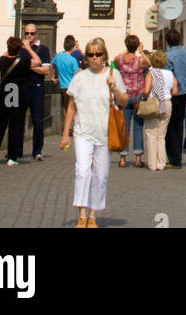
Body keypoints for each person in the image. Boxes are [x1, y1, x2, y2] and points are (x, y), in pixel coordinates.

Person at [59, 36, 128, 228]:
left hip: (105, 133)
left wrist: (114, 87)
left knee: (101, 175)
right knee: (82, 171)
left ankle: (93, 215)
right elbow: (71, 107)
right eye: (91, 54)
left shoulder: (114, 74)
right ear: (86, 57)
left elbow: (123, 102)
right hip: (83, 131)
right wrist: (66, 133)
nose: (95, 57)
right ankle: (81, 214)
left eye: (98, 54)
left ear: (104, 55)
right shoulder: (80, 78)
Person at [0, 37, 36, 165]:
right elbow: (38, 61)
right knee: (15, 126)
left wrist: (9, 50)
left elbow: (1, 59)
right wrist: (28, 48)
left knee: (0, 125)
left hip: (6, 93)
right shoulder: (23, 61)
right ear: (19, 49)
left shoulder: (2, 61)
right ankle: (12, 157)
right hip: (18, 93)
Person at [113, 34, 151, 168]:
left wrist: (126, 49)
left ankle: (122, 157)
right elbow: (149, 63)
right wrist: (140, 51)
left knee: (124, 127)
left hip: (124, 95)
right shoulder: (139, 60)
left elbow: (115, 58)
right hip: (137, 96)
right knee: (138, 127)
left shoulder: (121, 60)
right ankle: (138, 157)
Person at [164, 29, 186, 168]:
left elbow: (167, 73)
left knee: (170, 126)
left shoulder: (167, 56)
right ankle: (178, 156)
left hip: (172, 92)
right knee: (179, 125)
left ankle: (174, 158)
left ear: (167, 42)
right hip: (185, 91)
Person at [140, 50, 178, 170]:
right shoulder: (170, 74)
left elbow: (146, 91)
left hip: (154, 102)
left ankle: (152, 163)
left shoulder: (151, 73)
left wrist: (143, 97)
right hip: (167, 103)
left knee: (151, 133)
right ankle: (161, 163)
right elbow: (175, 91)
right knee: (161, 135)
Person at [21, 22, 51, 160]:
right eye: (27, 33)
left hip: (36, 87)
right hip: (21, 87)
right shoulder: (20, 49)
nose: (29, 36)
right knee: (18, 120)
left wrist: (30, 67)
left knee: (38, 120)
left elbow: (46, 70)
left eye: (32, 33)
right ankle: (16, 150)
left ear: (36, 34)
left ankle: (37, 150)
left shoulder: (43, 49)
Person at [51, 34, 81, 114]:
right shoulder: (73, 60)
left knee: (65, 108)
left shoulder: (58, 56)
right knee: (72, 109)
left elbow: (52, 64)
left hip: (62, 86)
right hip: (71, 86)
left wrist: (53, 76)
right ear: (73, 47)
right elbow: (75, 75)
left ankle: (66, 125)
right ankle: (71, 125)